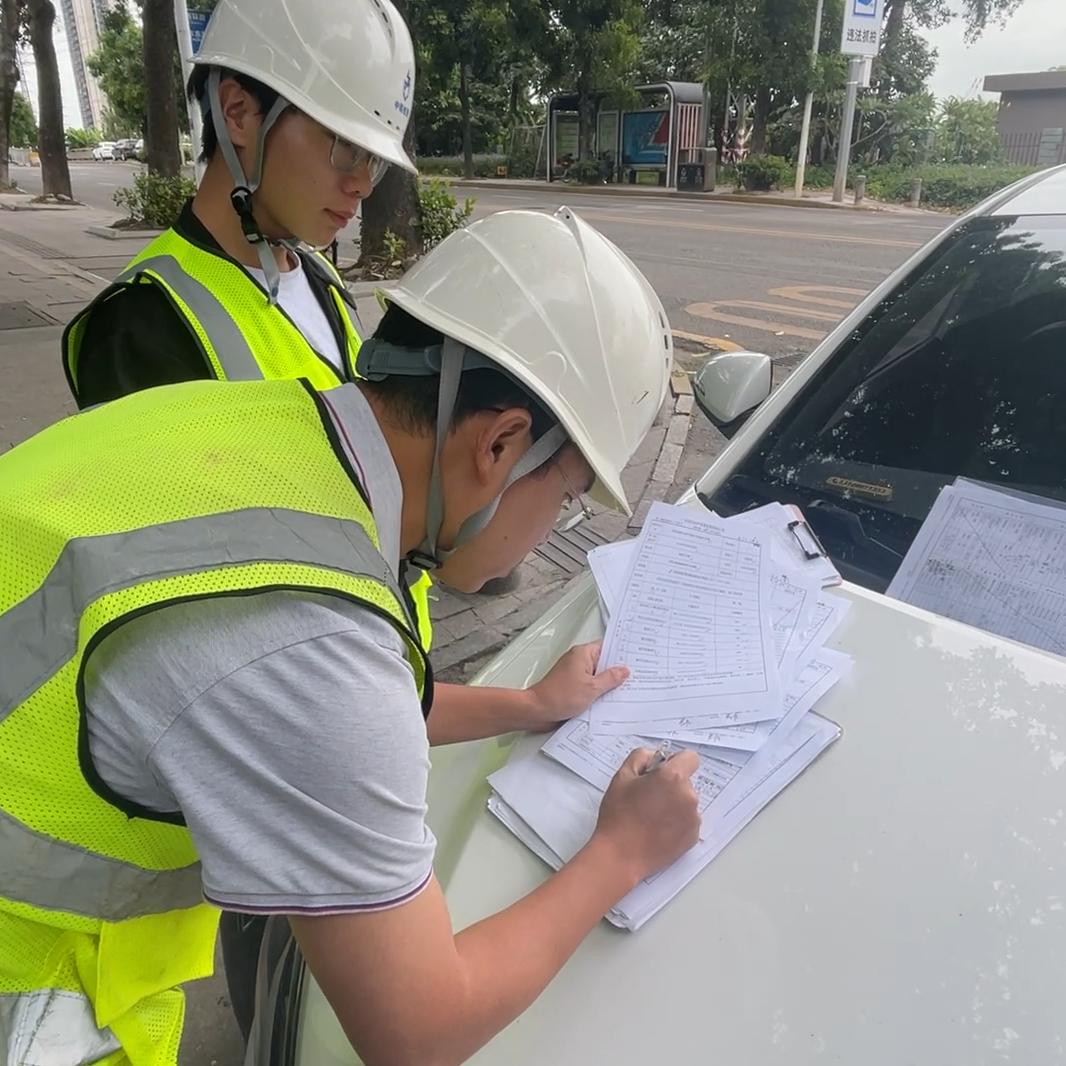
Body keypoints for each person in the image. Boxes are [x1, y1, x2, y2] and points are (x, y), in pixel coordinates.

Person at [0, 205, 696, 1066]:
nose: (554, 522)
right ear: (501, 445)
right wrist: (623, 851)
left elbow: (288, 704)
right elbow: (419, 1030)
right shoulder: (308, 644)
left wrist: (527, 705)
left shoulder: (248, 425)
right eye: (566, 496)